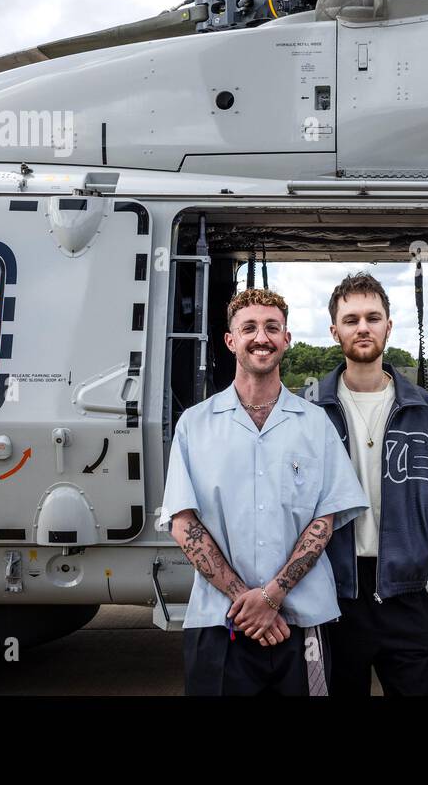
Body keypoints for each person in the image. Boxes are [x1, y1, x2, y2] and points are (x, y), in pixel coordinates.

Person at [158, 288, 369, 696]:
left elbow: (324, 521)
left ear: (286, 339)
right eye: (249, 327)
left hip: (301, 620)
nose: (261, 337)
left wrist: (271, 597)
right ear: (230, 340)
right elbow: (184, 524)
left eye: (273, 328)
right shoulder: (195, 425)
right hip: (221, 620)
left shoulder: (315, 424)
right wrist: (247, 601)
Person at [314, 272, 428, 696]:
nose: (363, 327)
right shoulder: (310, 412)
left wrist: (425, 533)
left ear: (389, 326)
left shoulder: (424, 409)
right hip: (336, 592)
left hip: (405, 592)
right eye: (351, 319)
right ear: (335, 329)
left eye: (373, 317)